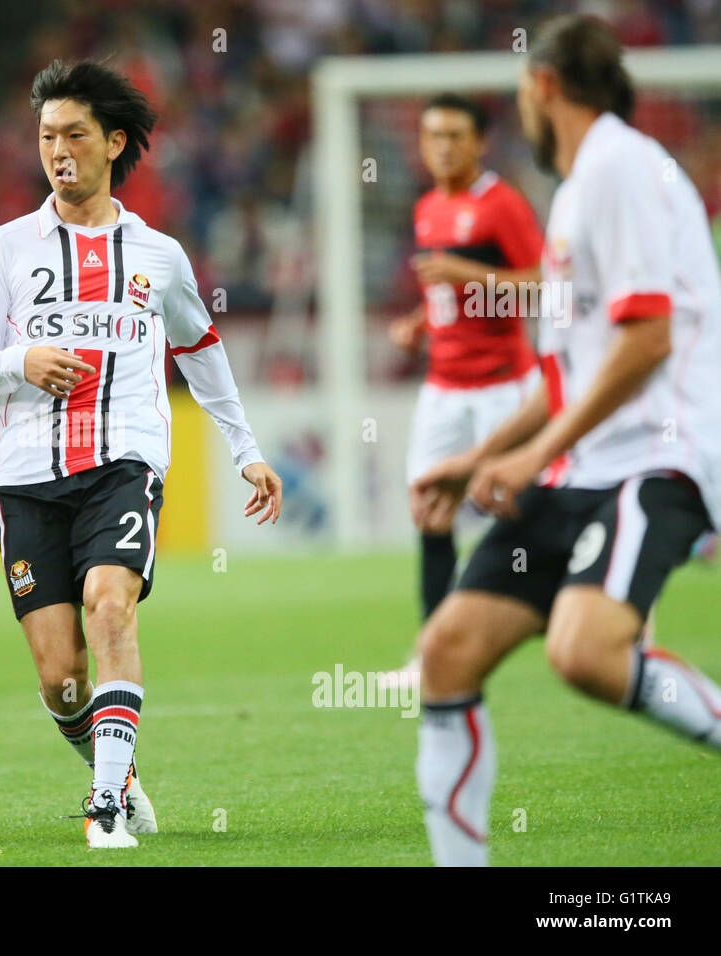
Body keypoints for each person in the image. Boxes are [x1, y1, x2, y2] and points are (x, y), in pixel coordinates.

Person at [412, 15, 721, 866]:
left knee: (584, 652)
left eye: (521, 96)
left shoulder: (619, 166)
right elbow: (563, 381)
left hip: (656, 458)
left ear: (544, 87)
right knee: (447, 650)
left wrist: (523, 455)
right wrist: (477, 461)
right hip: (589, 458)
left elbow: (648, 339)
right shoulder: (580, 189)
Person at [0, 61, 283, 849]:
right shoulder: (3, 248)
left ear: (114, 143)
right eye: (46, 137)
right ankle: (118, 771)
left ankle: (103, 804)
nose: (58, 151)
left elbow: (200, 348)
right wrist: (19, 362)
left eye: (74, 135)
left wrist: (246, 448)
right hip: (27, 478)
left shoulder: (158, 255)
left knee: (112, 602)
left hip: (122, 464)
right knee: (60, 678)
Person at [386, 95, 545, 684]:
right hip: (443, 388)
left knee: (527, 511)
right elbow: (448, 298)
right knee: (430, 508)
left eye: (455, 135)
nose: (442, 147)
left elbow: (542, 288)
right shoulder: (428, 207)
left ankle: (588, 610)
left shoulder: (502, 205)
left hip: (504, 386)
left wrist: (465, 274)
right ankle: (433, 656)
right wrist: (419, 324)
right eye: (432, 136)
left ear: (480, 142)